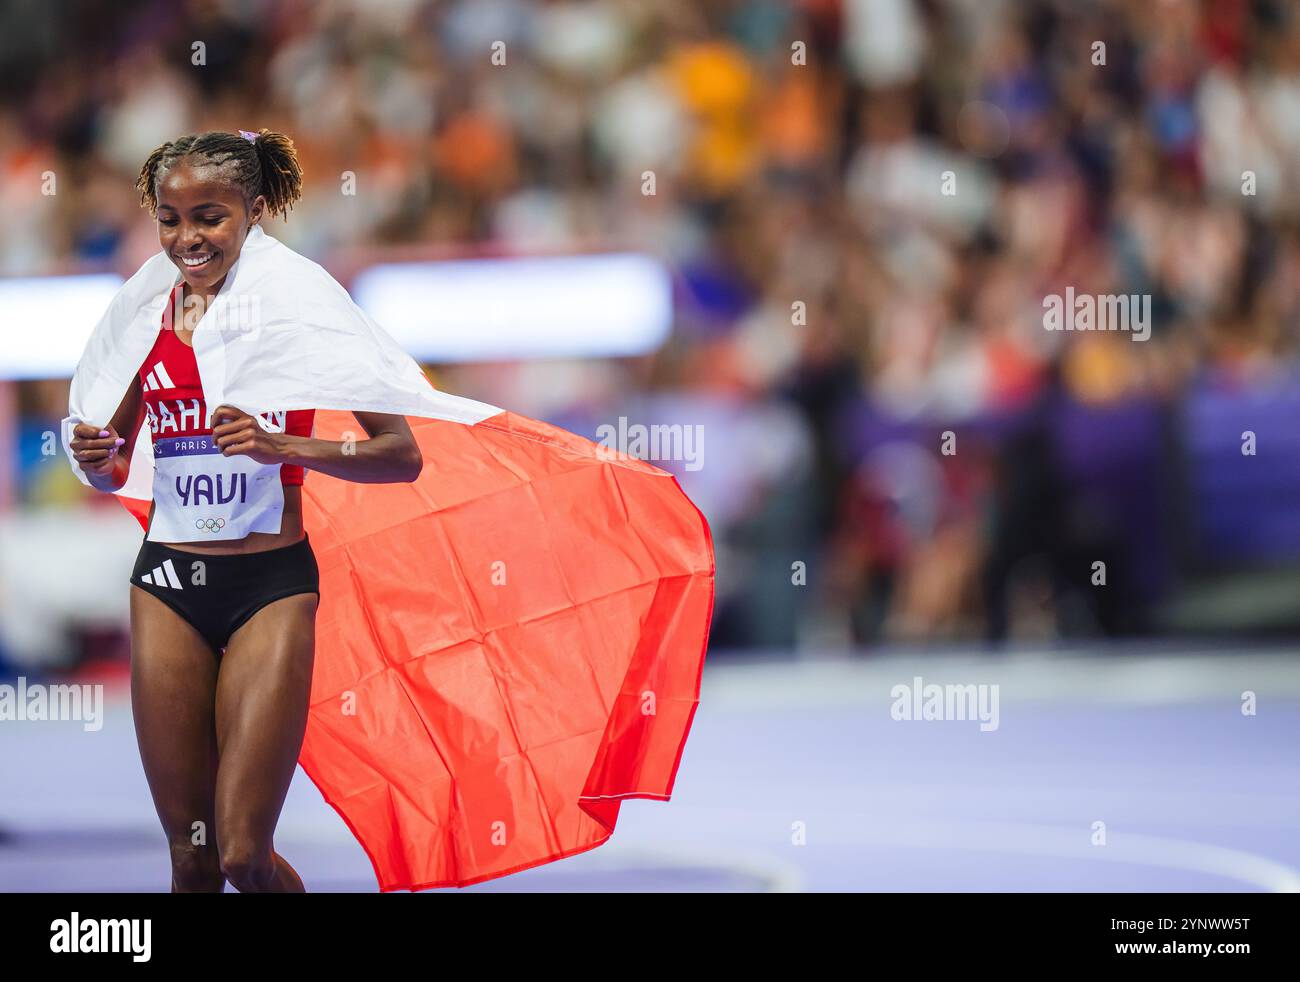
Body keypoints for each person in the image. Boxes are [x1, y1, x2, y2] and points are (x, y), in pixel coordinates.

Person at [63, 129, 714, 893]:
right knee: (191, 857)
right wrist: (100, 461)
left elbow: (400, 456)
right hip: (168, 584)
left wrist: (285, 448)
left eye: (210, 216)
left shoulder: (298, 307)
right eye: (170, 220)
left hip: (267, 589)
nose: (187, 238)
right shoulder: (142, 317)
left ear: (256, 208)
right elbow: (114, 469)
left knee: (243, 853)